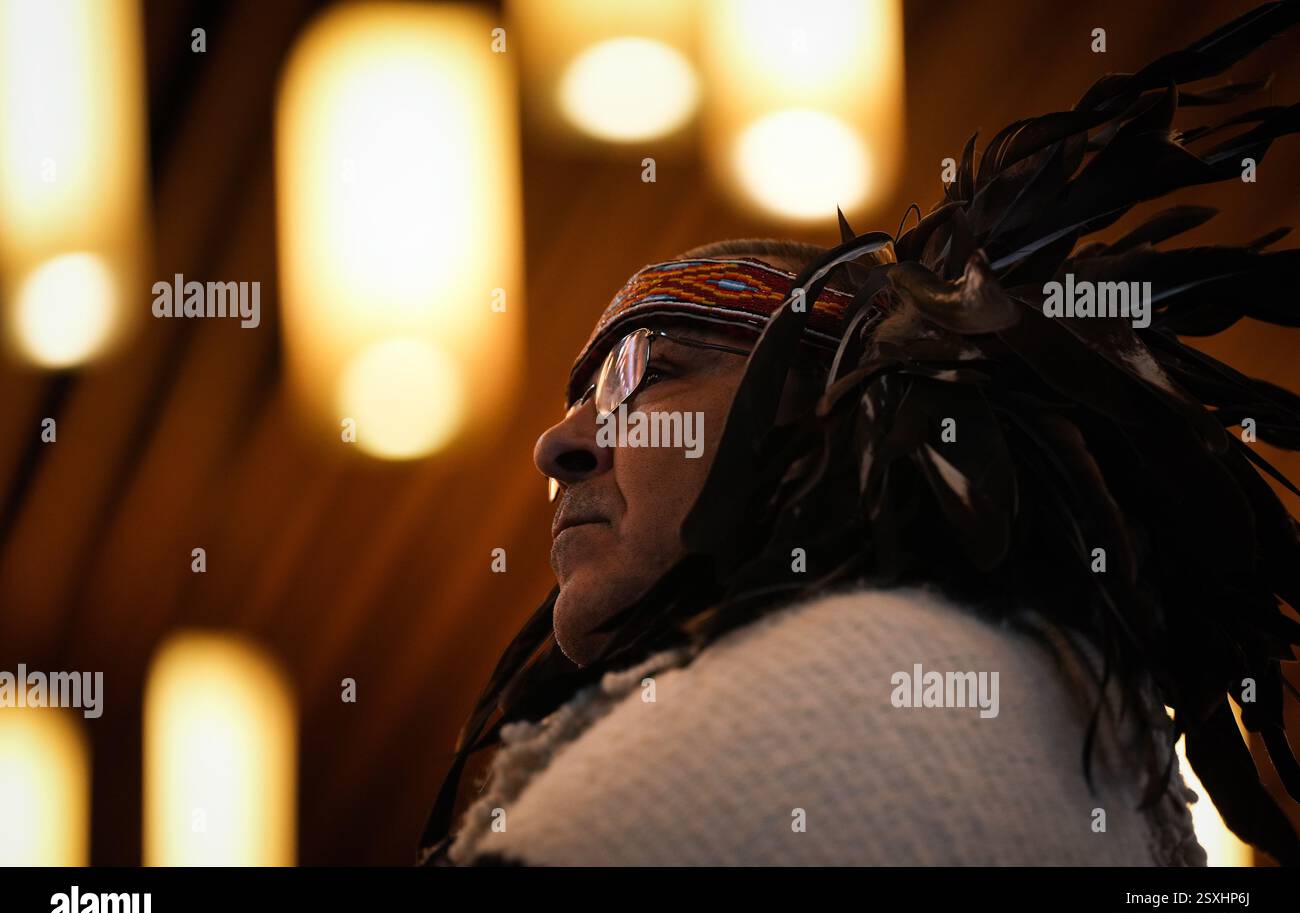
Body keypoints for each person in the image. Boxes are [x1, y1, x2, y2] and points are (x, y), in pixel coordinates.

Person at [417, 2, 1300, 866]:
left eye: (643, 371)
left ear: (848, 401)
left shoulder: (854, 697)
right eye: (579, 396)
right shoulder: (1038, 720)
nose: (556, 444)